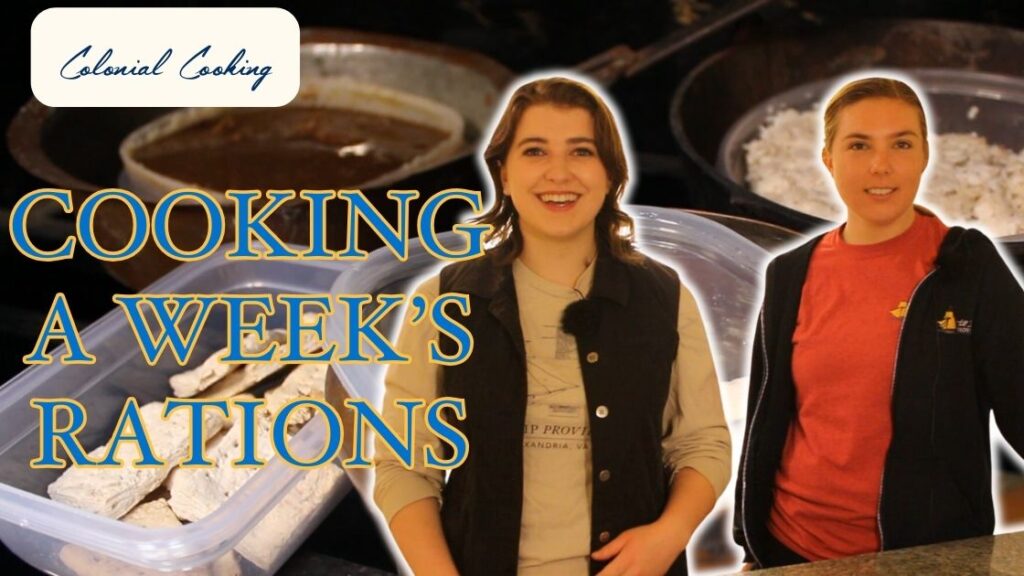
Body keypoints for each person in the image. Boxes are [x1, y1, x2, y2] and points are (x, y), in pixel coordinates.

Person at [373, 76, 732, 575]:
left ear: (611, 173)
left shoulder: (666, 298)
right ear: (502, 171)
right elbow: (404, 468)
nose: (559, 173)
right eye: (535, 152)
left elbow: (703, 443)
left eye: (582, 152)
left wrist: (668, 536)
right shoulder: (443, 301)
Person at [733, 76, 1024, 569]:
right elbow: (766, 417)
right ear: (828, 158)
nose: (880, 165)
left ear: (925, 155)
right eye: (859, 145)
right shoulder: (790, 273)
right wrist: (751, 548)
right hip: (790, 549)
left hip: (924, 559)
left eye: (902, 144)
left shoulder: (965, 268)